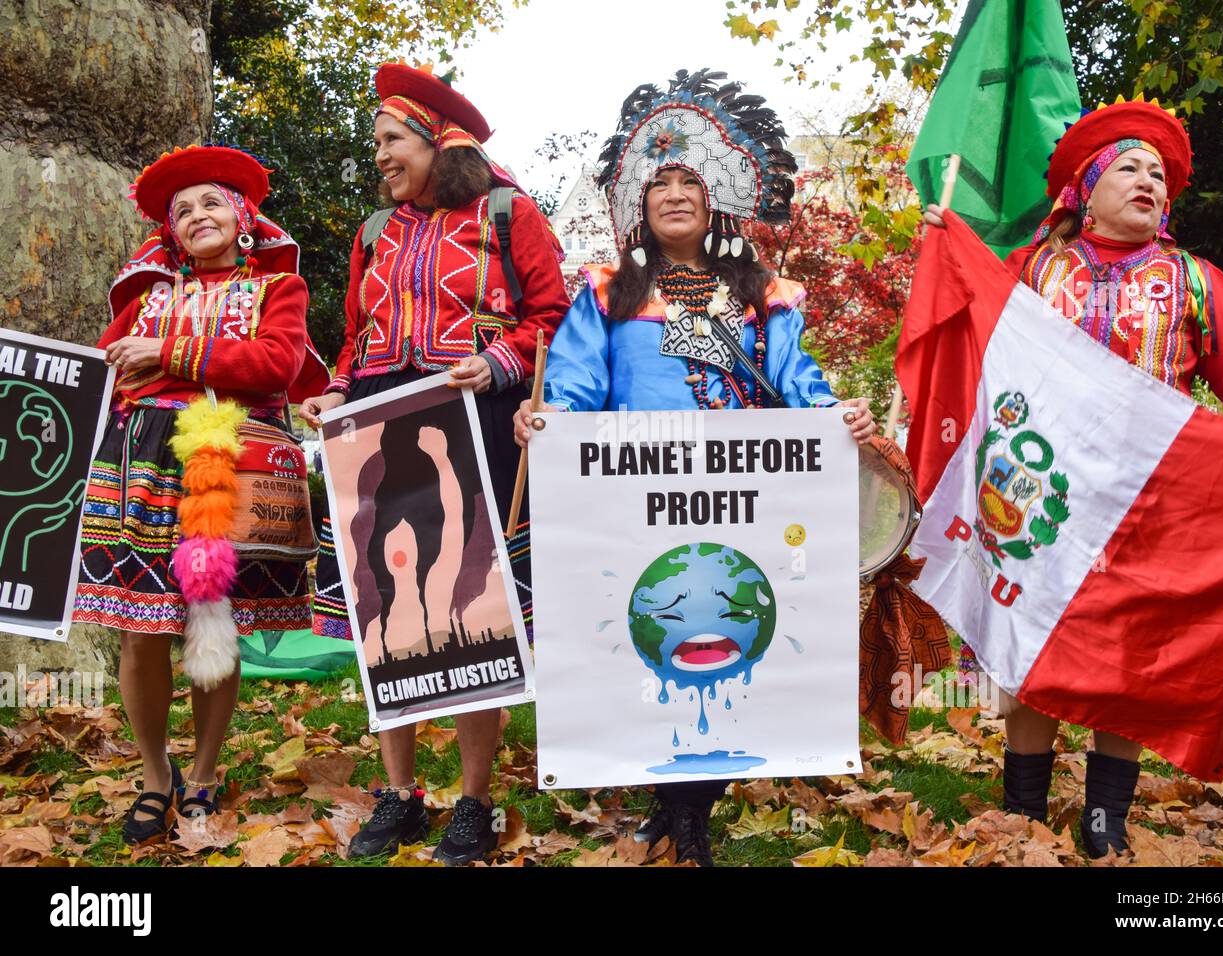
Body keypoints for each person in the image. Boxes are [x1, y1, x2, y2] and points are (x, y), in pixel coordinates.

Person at [513, 68, 877, 866]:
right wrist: (549, 418)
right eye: (659, 182)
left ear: (716, 200)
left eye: (690, 180)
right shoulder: (605, 295)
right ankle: (674, 803)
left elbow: (793, 377)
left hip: (742, 491)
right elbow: (576, 385)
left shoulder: (761, 293)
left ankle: (690, 810)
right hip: (633, 491)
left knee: (728, 628)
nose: (674, 193)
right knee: (653, 625)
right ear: (637, 206)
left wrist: (836, 414)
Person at [924, 94, 1223, 858]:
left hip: (1146, 504)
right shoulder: (1030, 269)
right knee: (1030, 647)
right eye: (1128, 167)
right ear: (1082, 190)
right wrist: (946, 247)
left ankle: (1105, 821)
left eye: (1158, 175)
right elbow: (967, 329)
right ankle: (1021, 806)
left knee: (1125, 657)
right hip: (1037, 494)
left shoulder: (1193, 280)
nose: (1149, 182)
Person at [299, 63, 569, 864]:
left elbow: (552, 316)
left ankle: (475, 802)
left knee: (467, 607)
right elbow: (352, 336)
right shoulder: (373, 234)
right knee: (388, 608)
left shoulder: (506, 213)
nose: (379, 156)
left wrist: (498, 363)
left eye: (391, 139)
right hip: (374, 428)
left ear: (435, 140)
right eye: (375, 142)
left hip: (470, 419)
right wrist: (336, 389)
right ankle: (401, 795)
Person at [74, 144, 329, 844]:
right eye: (181, 211)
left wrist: (168, 356)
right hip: (143, 468)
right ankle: (157, 777)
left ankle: (207, 772)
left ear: (244, 218)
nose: (196, 216)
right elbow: (103, 373)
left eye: (211, 202)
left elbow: (275, 364)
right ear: (171, 235)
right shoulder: (147, 298)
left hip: (234, 466)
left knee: (215, 619)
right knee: (140, 628)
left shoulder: (279, 291)